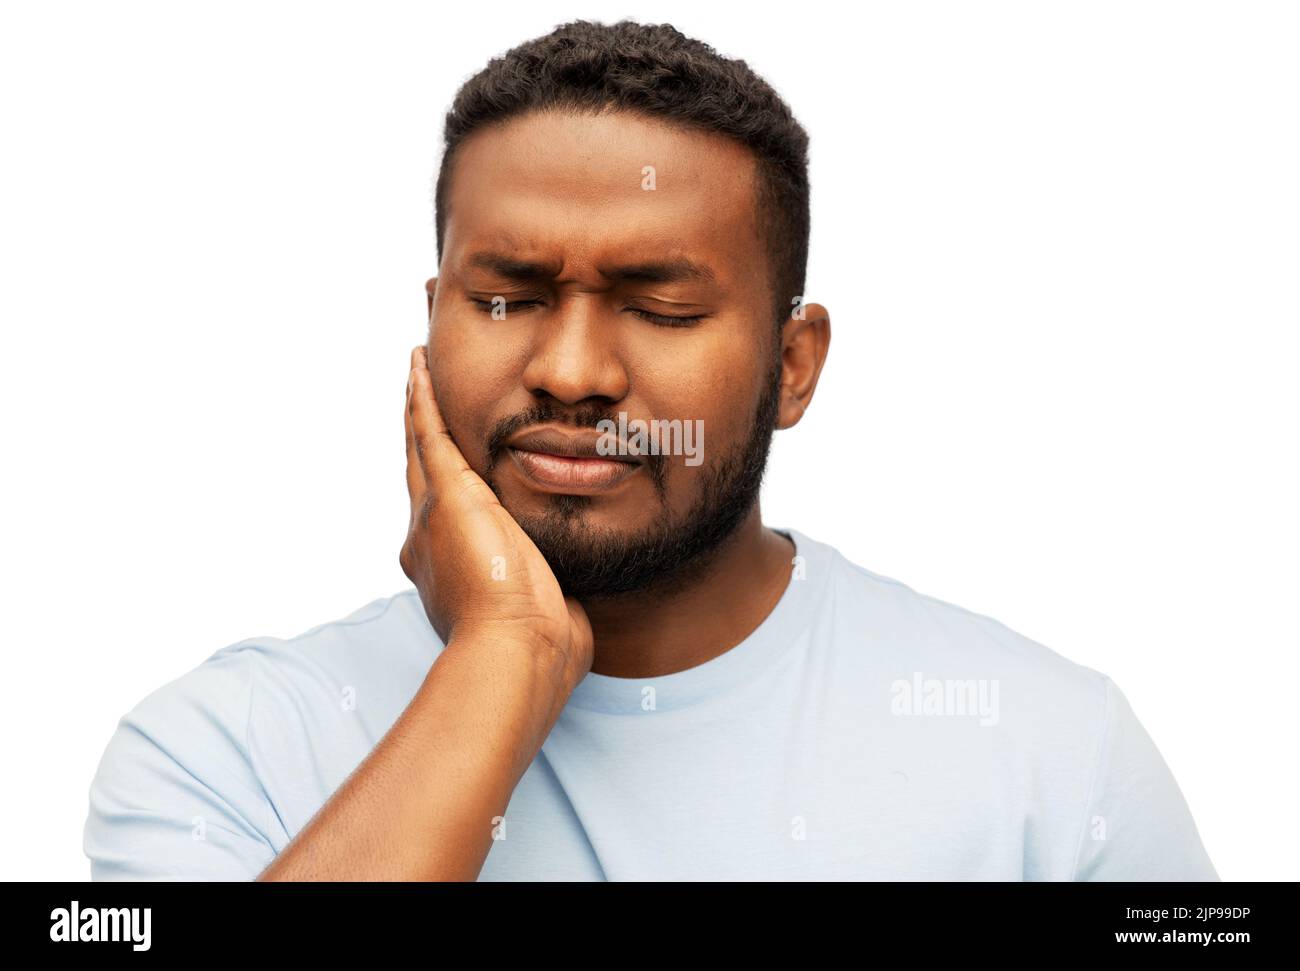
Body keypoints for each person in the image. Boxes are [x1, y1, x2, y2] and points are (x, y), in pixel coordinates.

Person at [83, 18, 1218, 881]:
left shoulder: (1056, 752)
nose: (572, 370)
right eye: (505, 296)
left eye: (660, 306)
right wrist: (504, 657)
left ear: (794, 364)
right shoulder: (216, 750)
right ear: (429, 322)